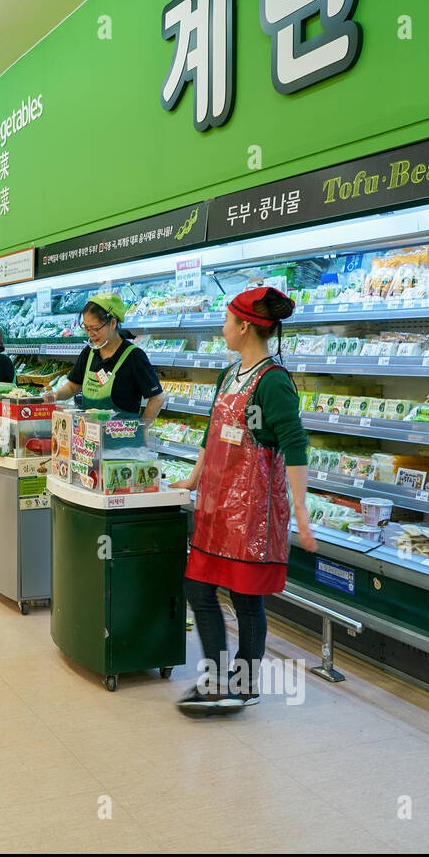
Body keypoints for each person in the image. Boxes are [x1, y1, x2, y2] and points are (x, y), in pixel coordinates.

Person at [171, 286, 317, 713]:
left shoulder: (274, 382)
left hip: (252, 510)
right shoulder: (228, 374)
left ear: (245, 327)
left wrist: (302, 514)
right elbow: (210, 434)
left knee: (246, 597)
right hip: (216, 506)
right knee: (197, 587)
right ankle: (223, 680)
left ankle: (238, 682)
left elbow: (296, 445)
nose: (223, 328)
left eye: (227, 322)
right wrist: (193, 481)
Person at [41, 292, 164, 420]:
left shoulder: (134, 356)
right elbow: (73, 386)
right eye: (86, 328)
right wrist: (56, 395)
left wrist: (142, 428)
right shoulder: (89, 353)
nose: (90, 334)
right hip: (89, 435)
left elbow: (157, 398)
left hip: (122, 437)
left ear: (113, 323)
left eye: (95, 328)